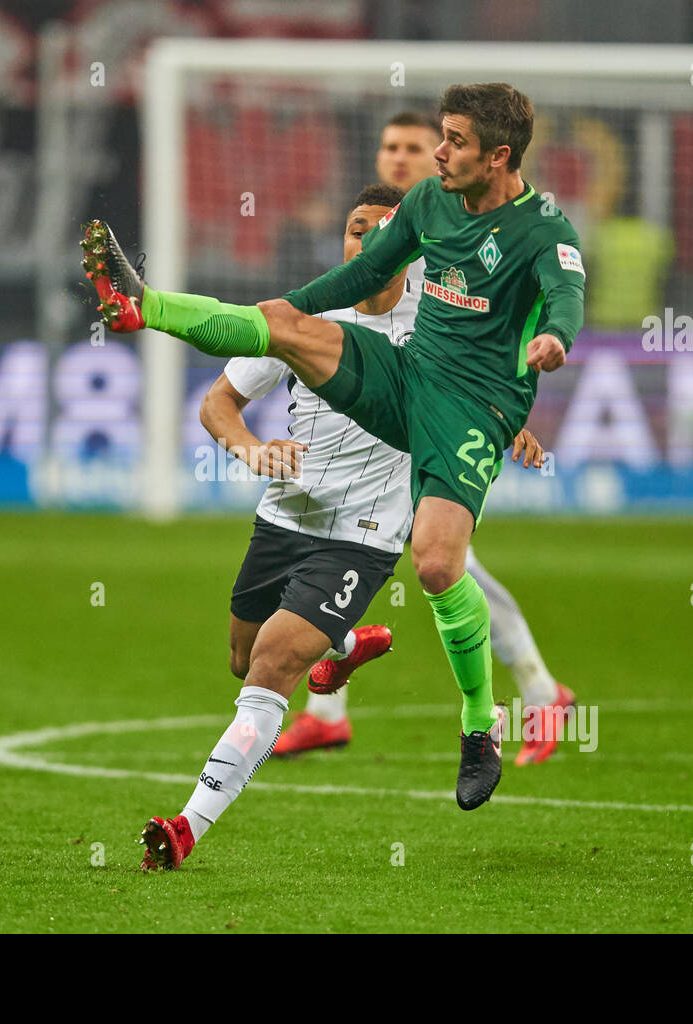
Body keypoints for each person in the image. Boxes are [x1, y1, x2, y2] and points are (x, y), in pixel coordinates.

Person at [84, 81, 584, 828]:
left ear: (499, 156)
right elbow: (351, 279)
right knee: (285, 320)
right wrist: (288, 317)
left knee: (441, 563)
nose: (439, 152)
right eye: (436, 137)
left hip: (475, 406)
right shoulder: (425, 205)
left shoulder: (545, 229)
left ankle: (480, 723)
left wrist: (555, 341)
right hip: (406, 377)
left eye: (453, 141)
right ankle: (142, 306)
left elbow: (566, 295)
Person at [129, 184, 546, 870]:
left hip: (362, 534)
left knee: (268, 667)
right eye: (356, 230)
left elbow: (484, 382)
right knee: (241, 654)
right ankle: (344, 643)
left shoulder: (437, 326)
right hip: (284, 516)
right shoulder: (308, 319)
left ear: (410, 251)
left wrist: (509, 421)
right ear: (344, 245)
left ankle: (187, 826)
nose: (368, 243)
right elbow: (218, 402)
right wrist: (250, 449)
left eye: (385, 232)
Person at [278, 109, 575, 762]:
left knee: (434, 561)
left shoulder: (454, 237)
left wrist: (506, 415)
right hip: (384, 413)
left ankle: (536, 690)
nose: (403, 156)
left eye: (418, 146)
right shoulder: (393, 230)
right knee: (397, 551)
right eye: (392, 145)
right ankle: (330, 708)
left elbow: (495, 333)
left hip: (437, 420)